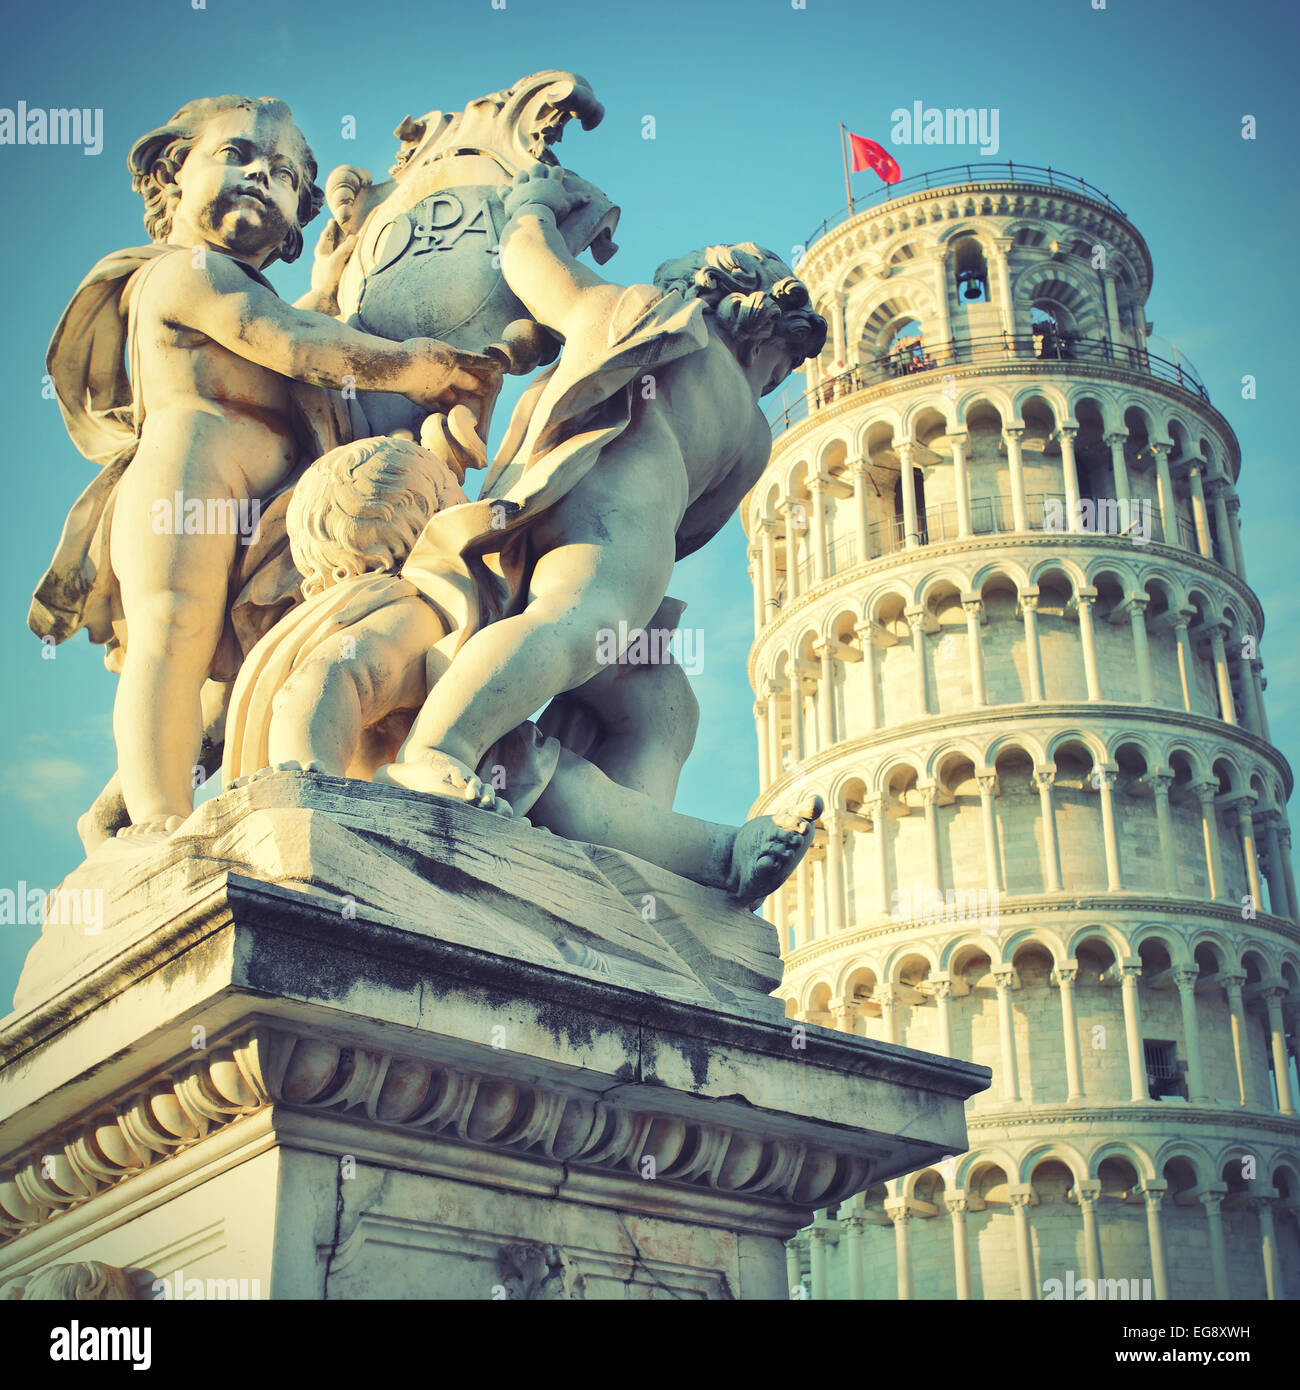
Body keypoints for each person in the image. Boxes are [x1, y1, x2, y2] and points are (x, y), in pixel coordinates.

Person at [29, 94, 502, 835]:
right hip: (187, 478)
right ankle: (156, 817)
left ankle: (119, 809)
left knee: (237, 681)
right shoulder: (183, 271)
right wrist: (419, 366)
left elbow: (301, 322)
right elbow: (293, 344)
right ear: (171, 173)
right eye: (237, 155)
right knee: (175, 632)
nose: (259, 174)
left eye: (282, 173)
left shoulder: (245, 284)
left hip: (277, 506)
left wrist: (336, 270)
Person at [380, 164, 827, 813]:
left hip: (566, 496)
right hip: (632, 522)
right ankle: (438, 750)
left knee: (660, 705)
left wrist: (532, 208)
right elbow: (698, 525)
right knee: (576, 625)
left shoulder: (641, 317)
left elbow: (536, 265)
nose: (772, 383)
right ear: (760, 324)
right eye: (779, 368)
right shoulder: (725, 392)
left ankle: (611, 836)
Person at [221, 434, 821, 909]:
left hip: (487, 766)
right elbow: (325, 681)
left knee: (584, 797)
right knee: (582, 798)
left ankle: (722, 856)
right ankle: (720, 856)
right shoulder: (410, 606)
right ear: (421, 520)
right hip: (417, 777)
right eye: (452, 501)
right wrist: (311, 779)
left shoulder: (443, 612)